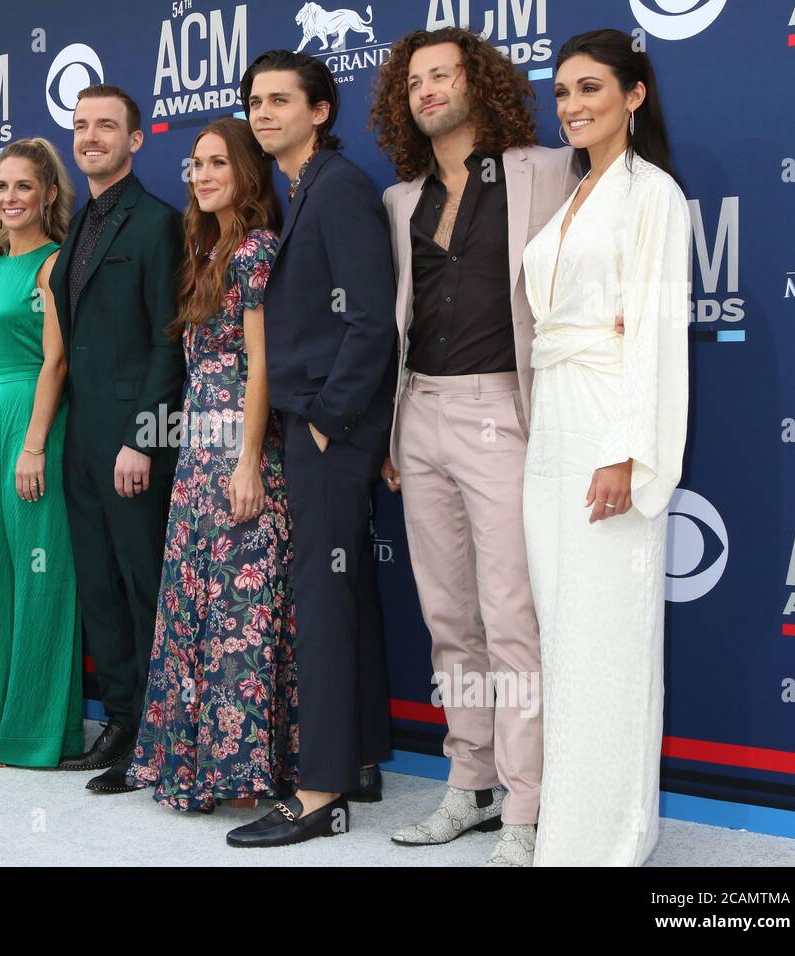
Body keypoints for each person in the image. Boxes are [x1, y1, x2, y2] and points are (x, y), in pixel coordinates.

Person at [370, 27, 578, 866]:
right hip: (419, 411)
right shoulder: (399, 200)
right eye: (415, 80)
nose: (427, 90)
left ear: (477, 82)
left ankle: (528, 806)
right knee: (449, 617)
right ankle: (472, 785)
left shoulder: (549, 170)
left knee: (510, 616)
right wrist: (390, 423)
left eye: (442, 75)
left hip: (504, 409)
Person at [520, 29, 690, 866]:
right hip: (552, 425)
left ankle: (609, 841)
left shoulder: (651, 193)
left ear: (634, 95)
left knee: (609, 638)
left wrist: (626, 450)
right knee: (566, 637)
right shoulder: (571, 198)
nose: (573, 106)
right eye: (561, 93)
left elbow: (656, 330)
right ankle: (568, 831)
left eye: (590, 89)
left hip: (605, 426)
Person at [226, 51, 395, 848]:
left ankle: (320, 790)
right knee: (345, 591)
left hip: (331, 431)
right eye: (254, 102)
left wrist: (327, 417)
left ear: (320, 110)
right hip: (323, 428)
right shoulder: (309, 191)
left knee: (322, 604)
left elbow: (371, 319)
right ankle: (357, 760)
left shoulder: (338, 189)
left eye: (280, 101)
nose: (262, 114)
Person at [126, 117, 298, 812]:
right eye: (194, 165)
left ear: (247, 174)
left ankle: (243, 771)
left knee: (239, 613)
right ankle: (194, 764)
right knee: (194, 608)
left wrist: (249, 461)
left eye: (216, 164)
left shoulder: (257, 251)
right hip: (198, 450)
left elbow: (261, 366)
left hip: (239, 448)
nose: (200, 176)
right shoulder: (206, 250)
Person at [48, 85, 186, 792]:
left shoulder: (158, 222)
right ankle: (123, 725)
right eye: (81, 126)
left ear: (136, 139)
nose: (91, 136)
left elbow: (170, 340)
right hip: (80, 441)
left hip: (136, 444)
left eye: (107, 126)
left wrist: (144, 438)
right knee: (99, 589)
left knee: (143, 588)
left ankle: (156, 739)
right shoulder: (78, 225)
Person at [0, 138, 82, 768]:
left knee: (38, 573)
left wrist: (33, 445)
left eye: (23, 186)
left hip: (35, 420)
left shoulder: (55, 264)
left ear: (49, 194)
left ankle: (29, 735)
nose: (10, 198)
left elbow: (56, 359)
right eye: (1, 188)